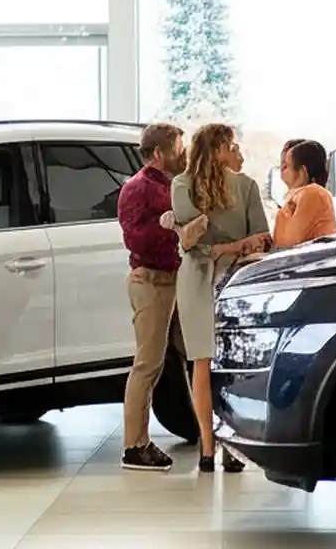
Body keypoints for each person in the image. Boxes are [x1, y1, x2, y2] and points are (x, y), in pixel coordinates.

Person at [170, 123, 270, 472]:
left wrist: (214, 247)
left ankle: (207, 450)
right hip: (237, 279)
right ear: (219, 149)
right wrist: (239, 246)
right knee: (231, 365)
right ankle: (231, 448)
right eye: (233, 145)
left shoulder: (181, 185)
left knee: (201, 362)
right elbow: (262, 236)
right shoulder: (247, 186)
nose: (238, 151)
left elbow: (190, 240)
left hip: (196, 278)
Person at [116, 122, 202, 472]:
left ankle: (211, 430)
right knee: (148, 363)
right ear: (158, 154)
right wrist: (175, 230)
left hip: (174, 280)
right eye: (179, 149)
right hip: (151, 283)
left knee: (197, 350)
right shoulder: (137, 189)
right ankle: (134, 447)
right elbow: (136, 239)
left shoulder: (171, 185)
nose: (183, 155)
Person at [273, 139, 336, 249]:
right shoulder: (301, 196)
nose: (282, 171)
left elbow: (287, 243)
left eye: (287, 166)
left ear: (302, 172)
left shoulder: (313, 193)